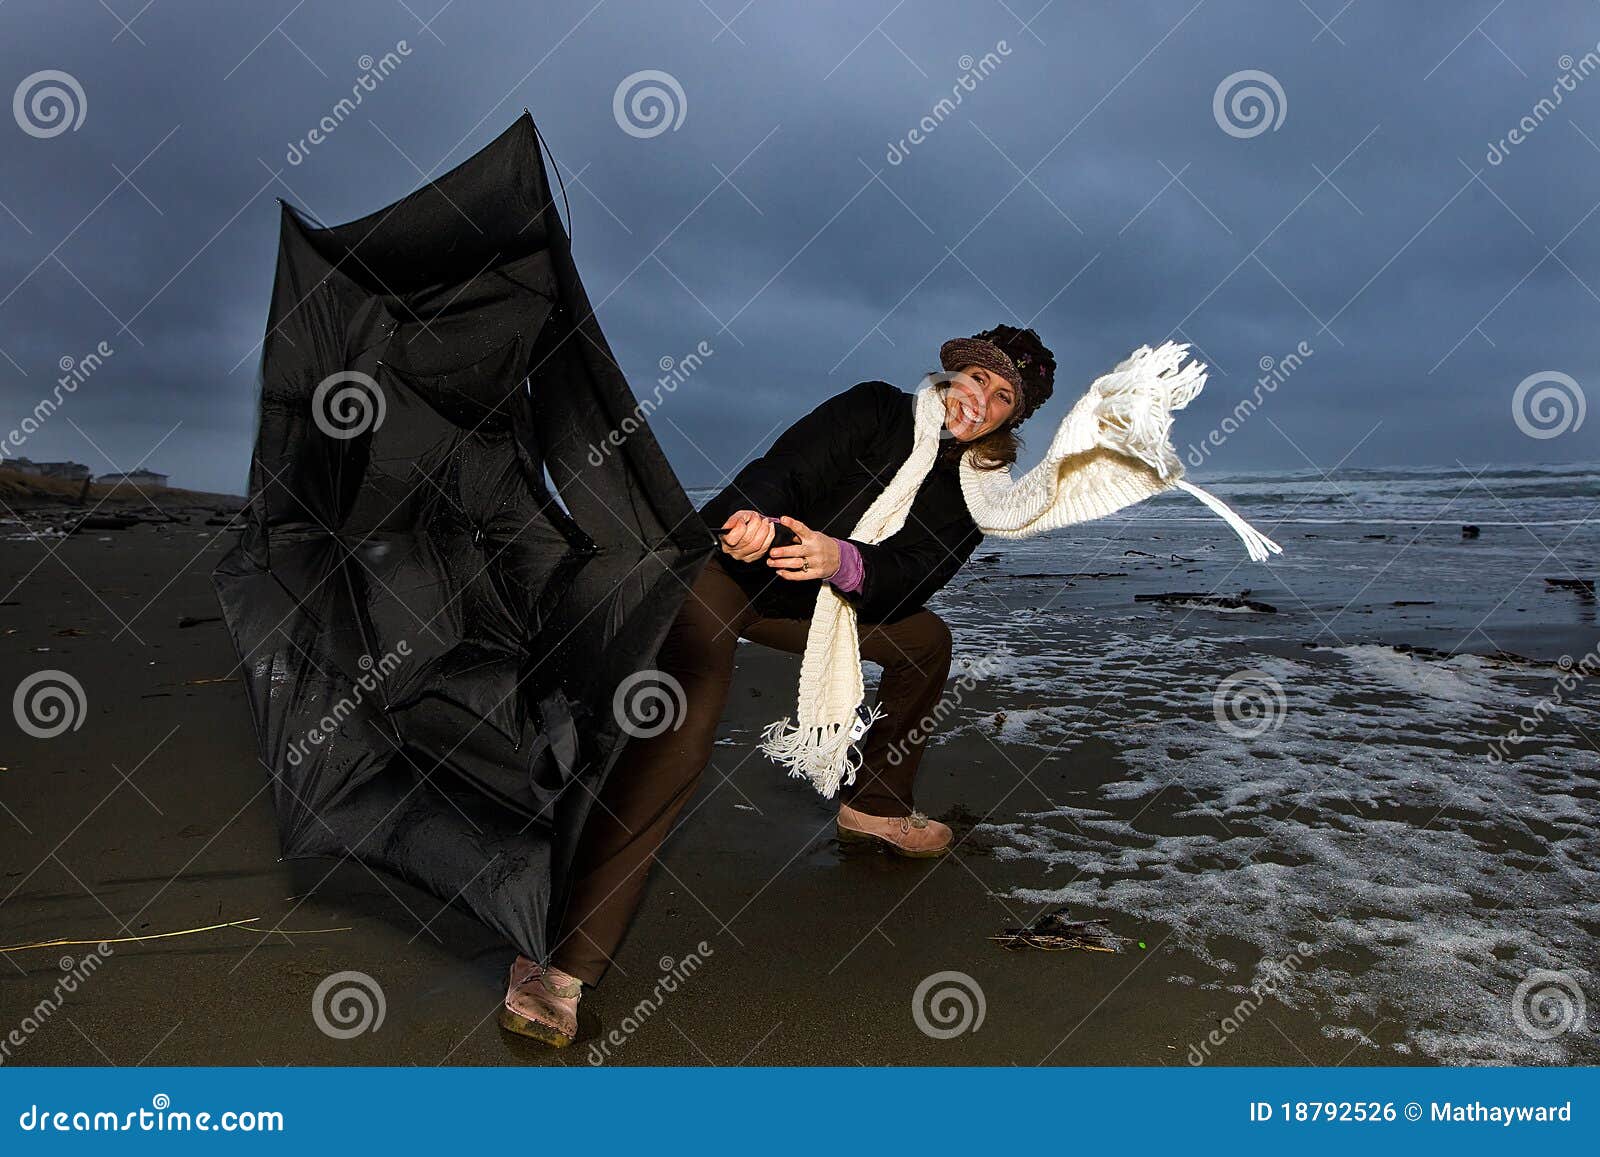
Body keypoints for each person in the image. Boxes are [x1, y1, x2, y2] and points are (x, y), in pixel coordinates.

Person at [499, 325, 1057, 1046]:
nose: (979, 401)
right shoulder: (876, 411)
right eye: (977, 379)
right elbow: (781, 469)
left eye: (1003, 396)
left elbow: (916, 575)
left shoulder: (982, 495)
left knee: (929, 641)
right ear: (953, 372)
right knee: (683, 727)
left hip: (821, 601)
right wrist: (752, 518)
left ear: (1015, 417)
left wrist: (843, 560)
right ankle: (562, 965)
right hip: (734, 573)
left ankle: (876, 806)